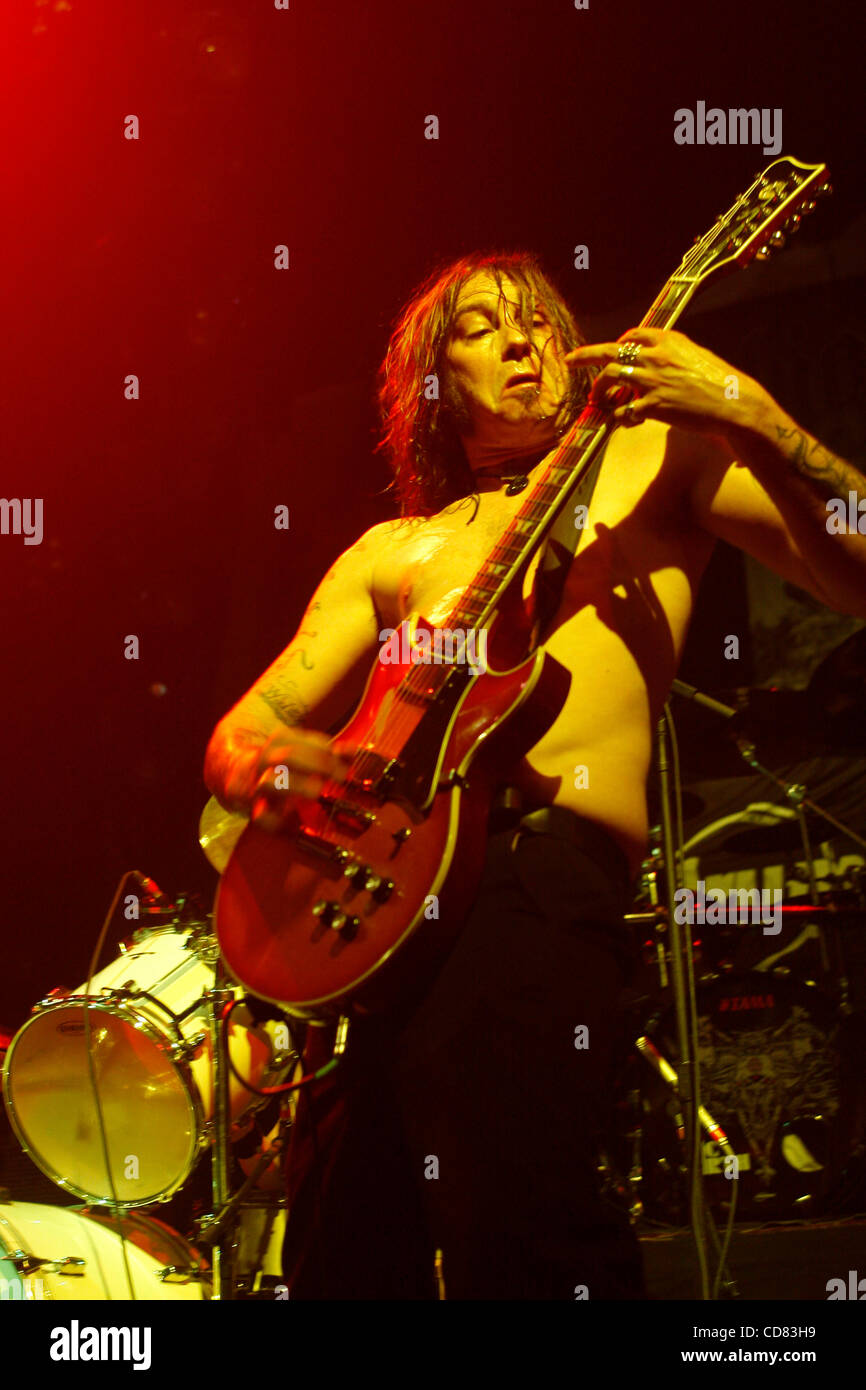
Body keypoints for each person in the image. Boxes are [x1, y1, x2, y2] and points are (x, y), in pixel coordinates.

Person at [204, 252, 866, 1299]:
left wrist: (748, 410)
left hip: (536, 875)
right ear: (429, 376)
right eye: (483, 326)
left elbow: (855, 571)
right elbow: (243, 730)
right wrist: (268, 765)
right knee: (339, 1243)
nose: (525, 342)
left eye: (540, 324)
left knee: (519, 1226)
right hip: (377, 917)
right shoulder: (393, 550)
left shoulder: (655, 460)